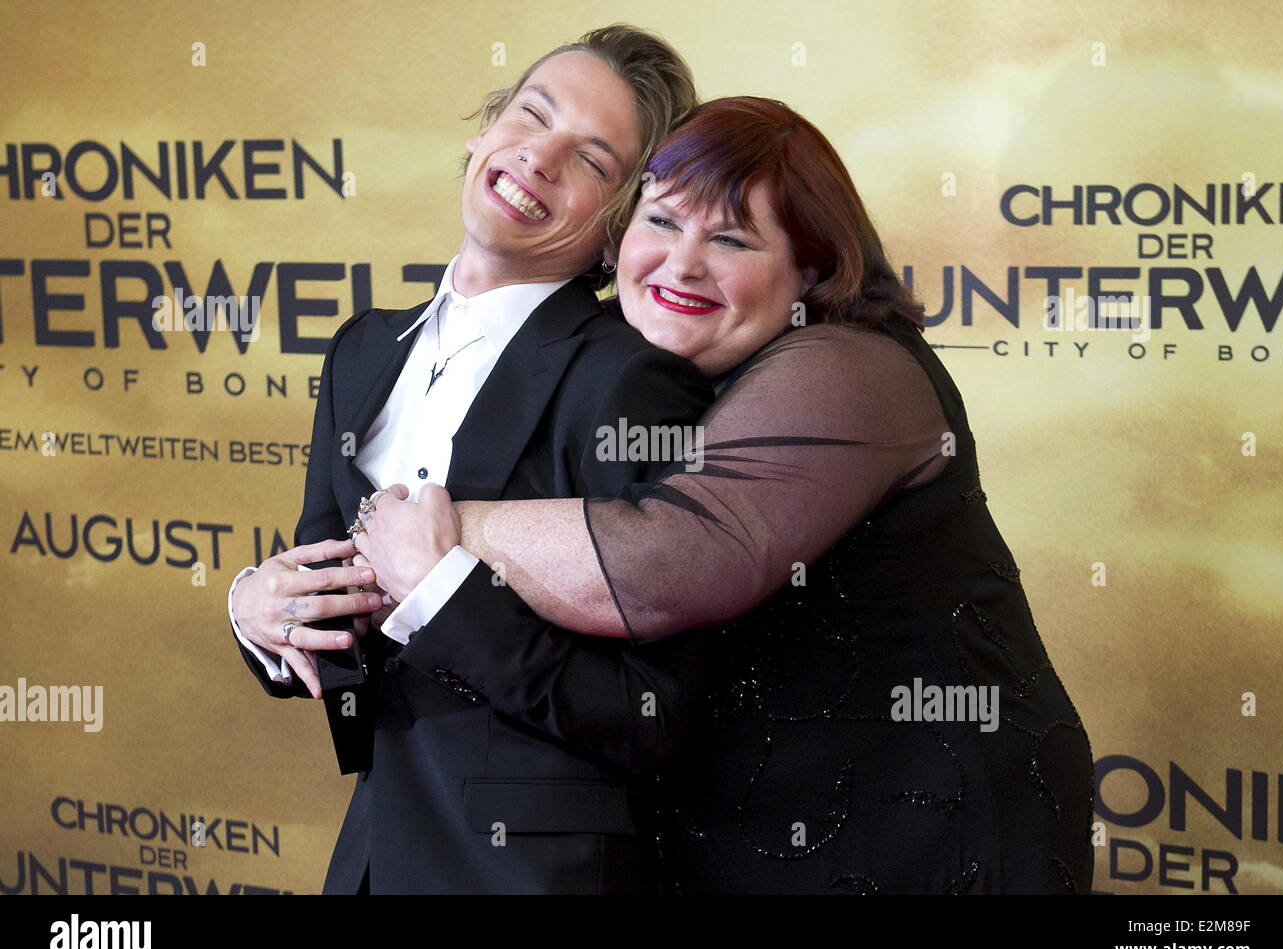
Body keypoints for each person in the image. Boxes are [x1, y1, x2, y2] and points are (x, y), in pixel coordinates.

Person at [355, 97, 1096, 894]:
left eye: (732, 240)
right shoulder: (630, 361)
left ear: (811, 270)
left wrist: (432, 528)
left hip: (924, 820)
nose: (682, 264)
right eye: (663, 222)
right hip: (741, 820)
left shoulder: (849, 367)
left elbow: (676, 558)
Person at [227, 25, 718, 894]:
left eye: (593, 161)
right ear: (482, 129)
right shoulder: (361, 350)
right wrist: (261, 616)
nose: (540, 157)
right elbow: (335, 621)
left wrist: (440, 594)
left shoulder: (631, 383)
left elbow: (659, 712)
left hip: (536, 872)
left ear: (616, 230)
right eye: (532, 114)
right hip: (374, 853)